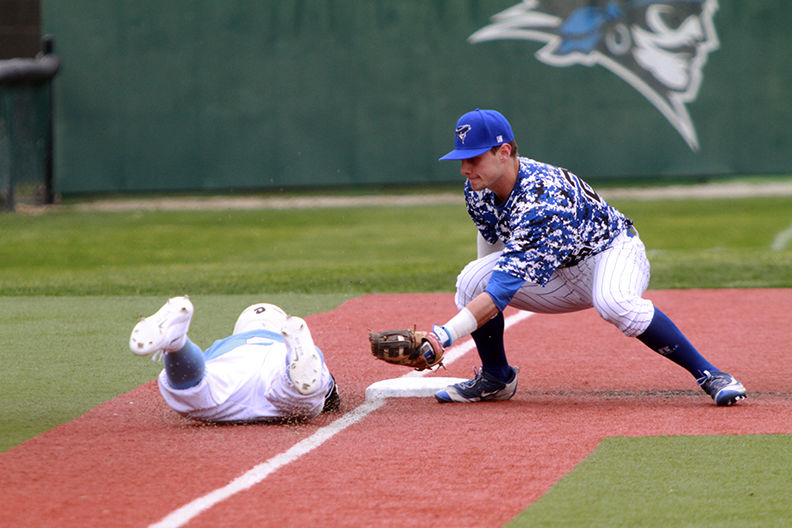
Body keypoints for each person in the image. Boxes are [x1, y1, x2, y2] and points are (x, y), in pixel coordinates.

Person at [424, 108, 746, 406]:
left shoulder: (542, 199)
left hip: (611, 254)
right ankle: (496, 378)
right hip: (559, 273)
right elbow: (491, 239)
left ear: (504, 152)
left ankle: (711, 374)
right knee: (471, 279)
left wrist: (442, 336)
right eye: (462, 159)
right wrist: (484, 289)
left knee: (614, 303)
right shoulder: (479, 188)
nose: (465, 169)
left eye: (474, 158)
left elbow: (499, 291)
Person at [128, 296, 339, 422]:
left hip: (232, 376)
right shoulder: (280, 344)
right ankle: (296, 357)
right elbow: (331, 398)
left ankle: (178, 345)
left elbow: (200, 373)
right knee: (306, 392)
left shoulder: (224, 344)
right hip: (278, 372)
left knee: (192, 389)